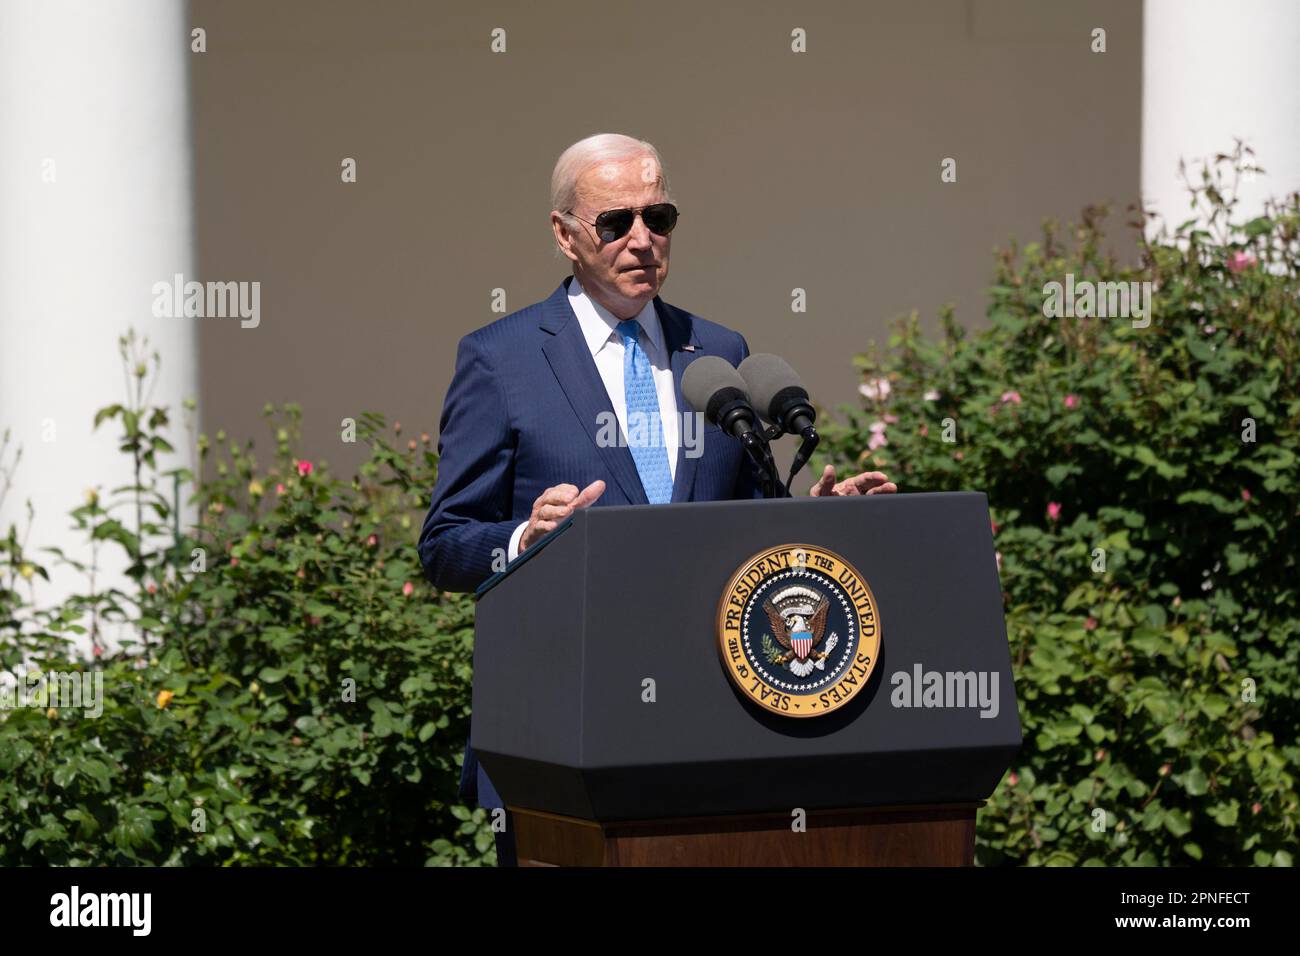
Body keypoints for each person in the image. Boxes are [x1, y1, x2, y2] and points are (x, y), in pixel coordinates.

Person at [417, 133, 896, 864]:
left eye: (659, 217)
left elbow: (744, 527)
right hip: (565, 739)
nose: (642, 239)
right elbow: (445, 542)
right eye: (616, 223)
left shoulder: (717, 351)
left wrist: (817, 516)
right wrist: (523, 538)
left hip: (714, 729)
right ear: (565, 234)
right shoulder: (502, 359)